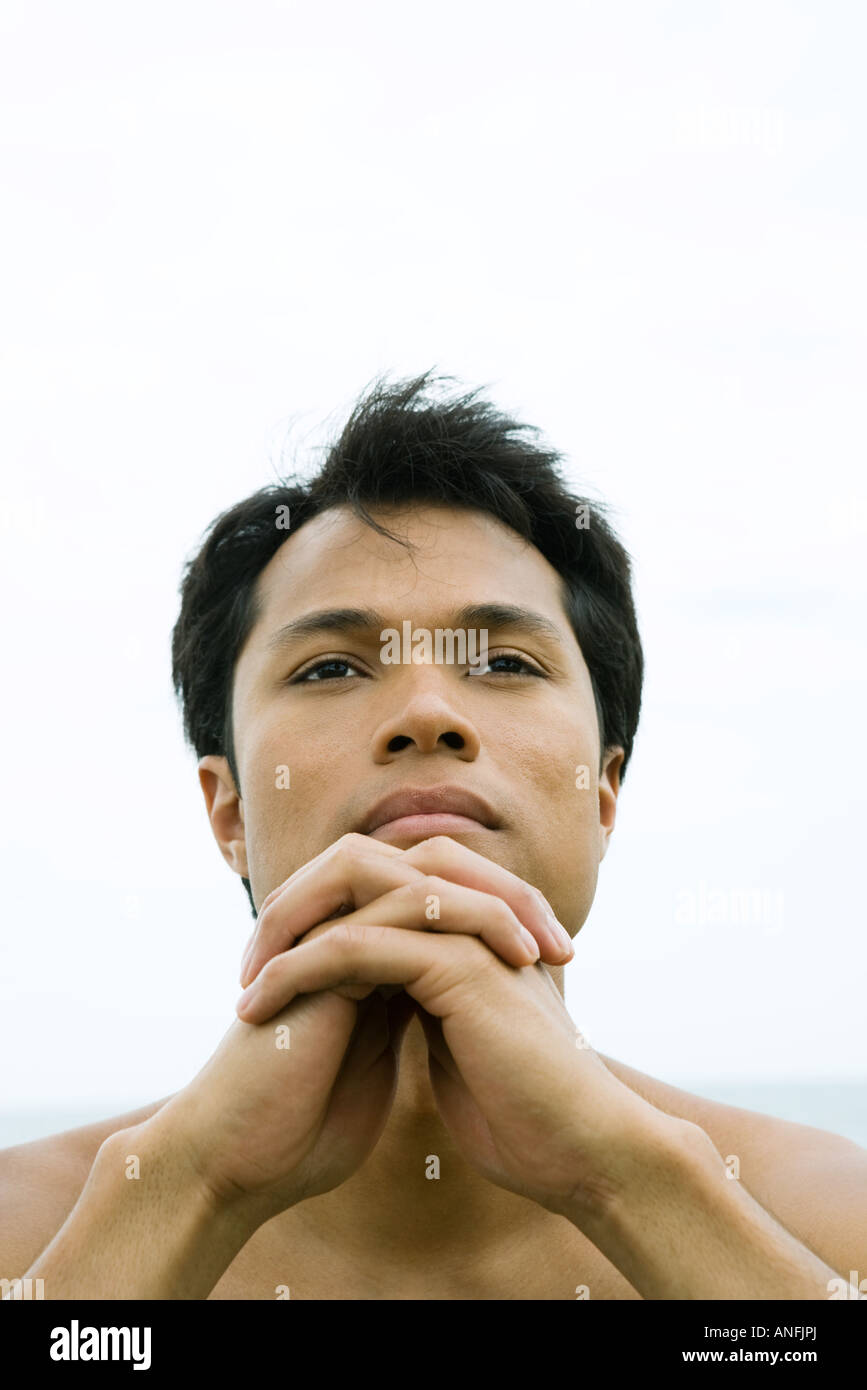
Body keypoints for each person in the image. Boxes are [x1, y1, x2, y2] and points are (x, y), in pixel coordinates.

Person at [3, 371, 865, 1300]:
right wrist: (189, 1192)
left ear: (603, 793)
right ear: (232, 813)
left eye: (503, 660)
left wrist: (631, 1181)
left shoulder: (819, 1219)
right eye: (331, 666)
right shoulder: (34, 1234)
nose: (425, 713)